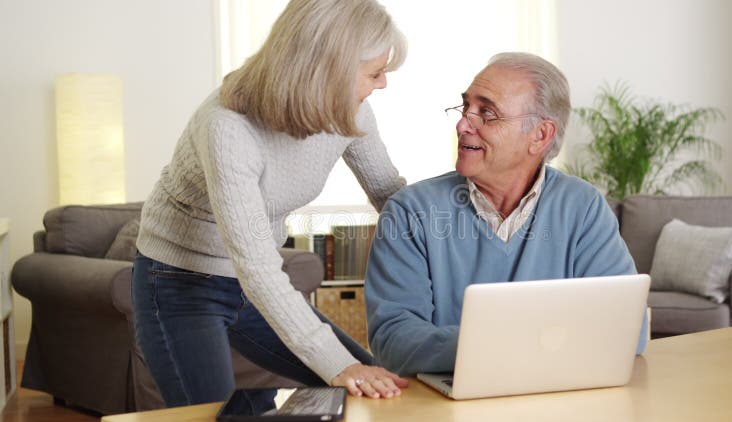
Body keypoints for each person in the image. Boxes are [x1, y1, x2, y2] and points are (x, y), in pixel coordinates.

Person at [132, 0, 409, 406]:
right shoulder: (227, 127)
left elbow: (390, 195)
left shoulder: (353, 113)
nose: (383, 83)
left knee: (371, 389)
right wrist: (338, 366)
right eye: (374, 73)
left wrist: (456, 242)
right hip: (179, 280)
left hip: (252, 283)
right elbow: (258, 266)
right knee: (213, 413)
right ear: (328, 70)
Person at [364, 52, 648, 376]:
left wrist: (493, 344)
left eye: (487, 113)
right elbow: (394, 341)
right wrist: (526, 343)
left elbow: (627, 329)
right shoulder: (409, 212)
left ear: (540, 135)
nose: (462, 124)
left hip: (555, 398)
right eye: (465, 107)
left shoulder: (582, 208)